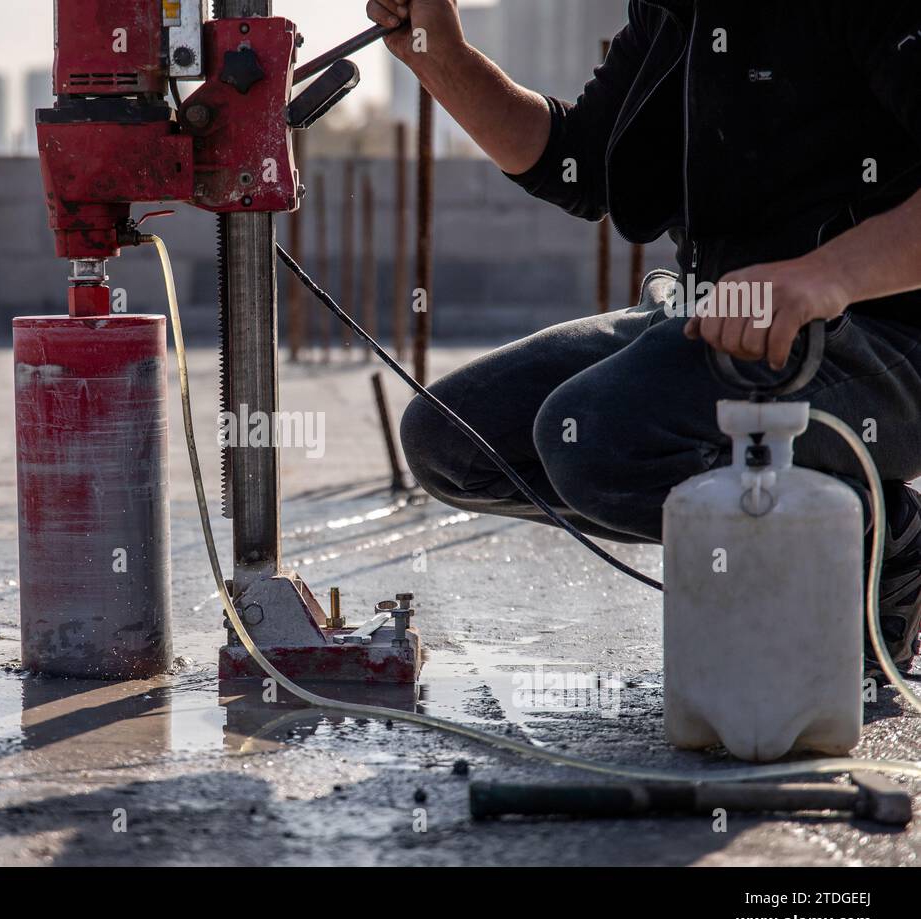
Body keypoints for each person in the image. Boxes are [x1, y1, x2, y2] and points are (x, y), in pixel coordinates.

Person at [368, 0, 921, 671]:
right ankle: (858, 519)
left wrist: (825, 277)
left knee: (598, 437)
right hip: (712, 313)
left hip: (884, 336)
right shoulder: (675, 10)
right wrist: (441, 58)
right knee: (453, 440)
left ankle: (867, 540)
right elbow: (580, 162)